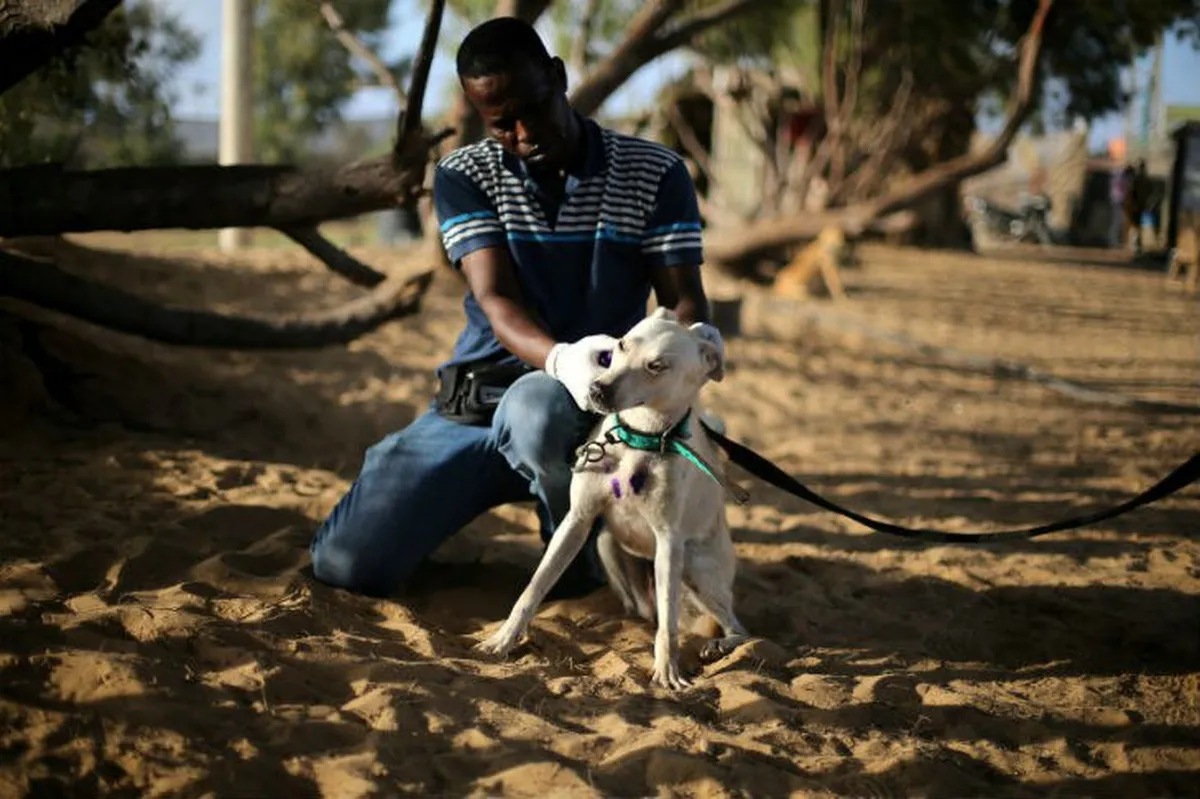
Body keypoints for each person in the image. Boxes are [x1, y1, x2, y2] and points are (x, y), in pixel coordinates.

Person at [308, 17, 721, 599]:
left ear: (558, 77)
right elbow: (496, 299)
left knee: (541, 413)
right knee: (347, 565)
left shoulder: (655, 173)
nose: (524, 132)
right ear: (478, 115)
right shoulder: (464, 174)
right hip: (478, 405)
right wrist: (560, 361)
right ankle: (543, 520)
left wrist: (687, 353)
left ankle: (576, 561)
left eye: (533, 107)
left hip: (604, 419)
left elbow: (681, 299)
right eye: (502, 124)